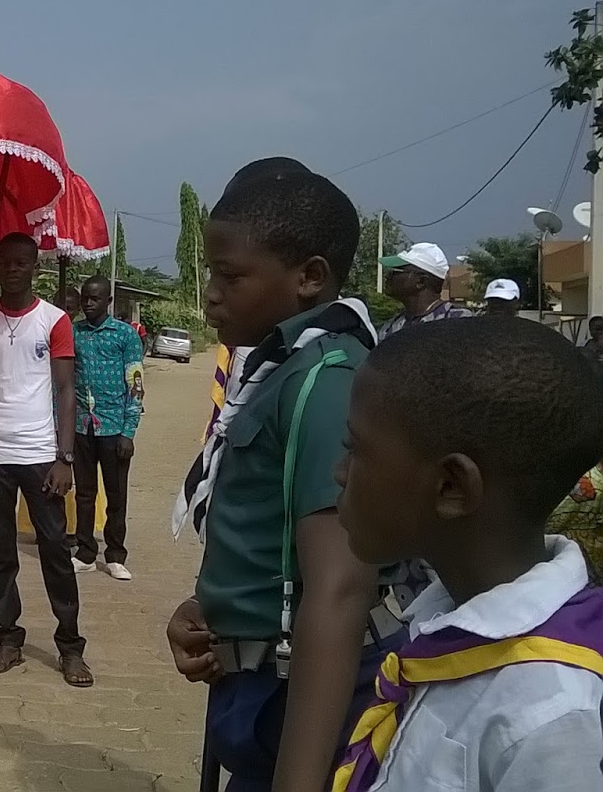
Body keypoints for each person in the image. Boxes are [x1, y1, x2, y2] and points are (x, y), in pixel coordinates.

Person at [165, 168, 397, 792]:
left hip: (298, 705)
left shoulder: (324, 383)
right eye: (211, 273)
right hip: (256, 692)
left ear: (310, 277)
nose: (212, 294)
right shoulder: (280, 369)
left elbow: (340, 590)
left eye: (231, 276)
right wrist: (214, 609)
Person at [331, 317, 603, 792]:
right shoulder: (442, 625)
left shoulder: (552, 714)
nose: (339, 473)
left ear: (451, 487)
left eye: (355, 450)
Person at [0, 232, 89, 687]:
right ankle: (8, 638)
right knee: (1, 552)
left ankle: (70, 646)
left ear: (35, 267)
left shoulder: (54, 321)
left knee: (54, 549)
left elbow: (66, 389)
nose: (12, 269)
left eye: (21, 262)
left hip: (39, 456)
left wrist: (64, 456)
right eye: (5, 262)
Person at [70, 276, 144, 580]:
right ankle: (85, 552)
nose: (88, 304)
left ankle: (115, 555)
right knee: (84, 494)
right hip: (81, 425)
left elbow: (135, 384)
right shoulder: (74, 333)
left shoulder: (125, 335)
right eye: (85, 298)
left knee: (116, 495)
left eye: (95, 299)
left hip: (114, 428)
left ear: (108, 302)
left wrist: (129, 431)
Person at [377, 243, 470, 340]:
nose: (387, 276)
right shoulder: (390, 328)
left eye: (395, 272)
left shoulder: (459, 321)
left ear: (421, 281)